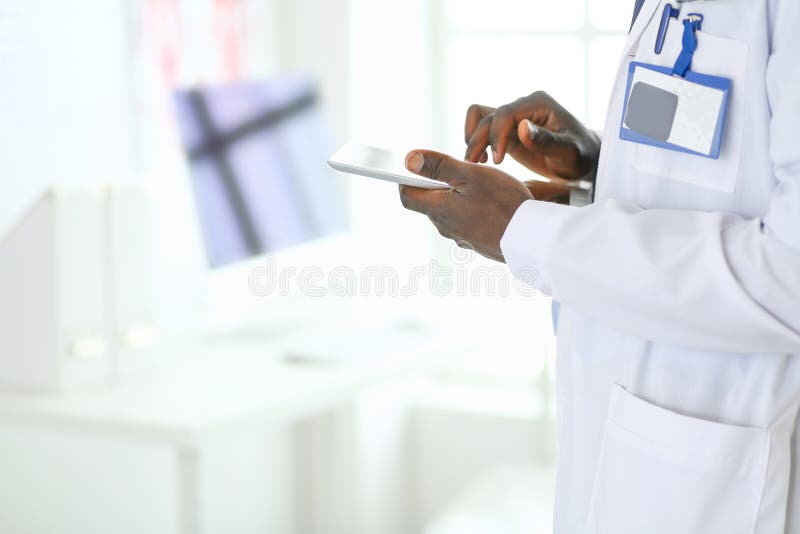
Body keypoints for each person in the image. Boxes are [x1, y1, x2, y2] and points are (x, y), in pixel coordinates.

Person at [398, 1, 800, 533]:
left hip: (725, 476)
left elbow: (789, 277)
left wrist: (525, 230)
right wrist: (597, 169)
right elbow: (735, 160)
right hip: (645, 465)